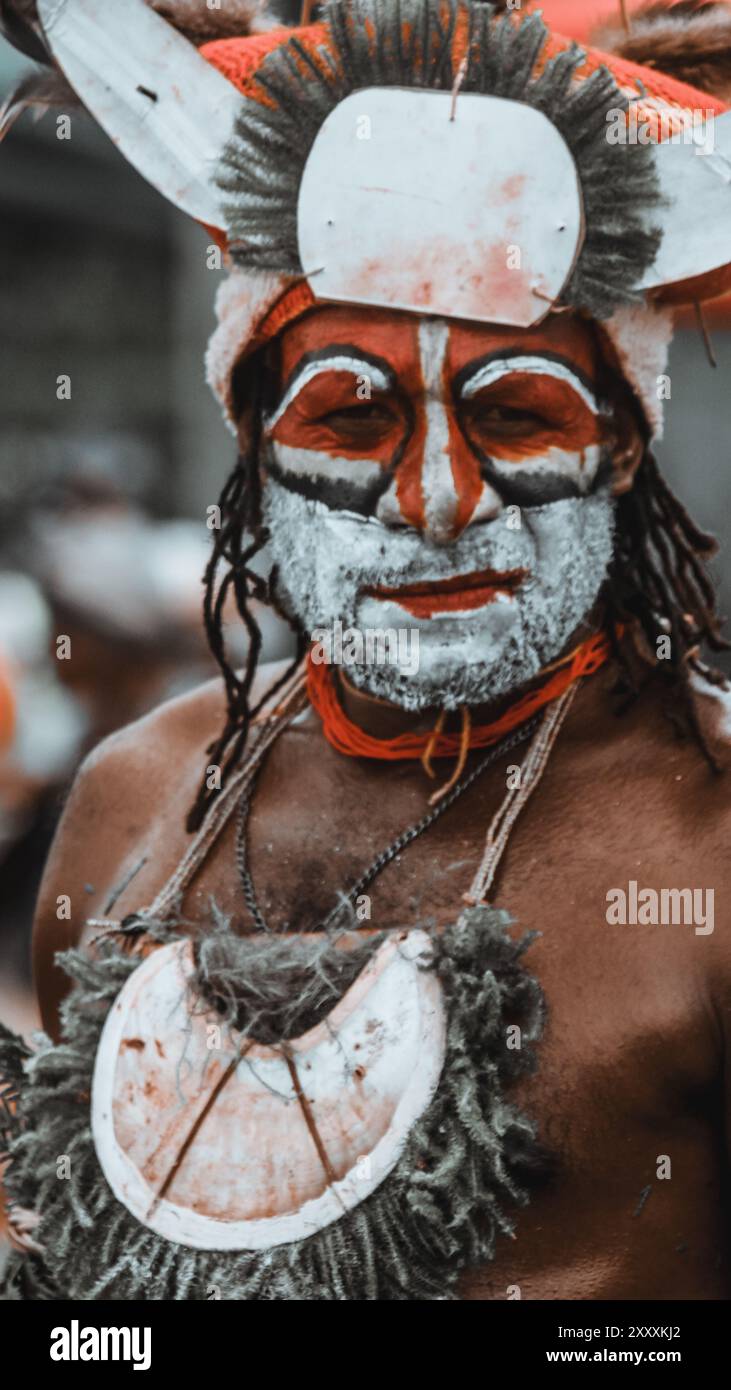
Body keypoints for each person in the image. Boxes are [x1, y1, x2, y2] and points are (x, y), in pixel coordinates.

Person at [2, 0, 731, 1301]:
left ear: (622, 445)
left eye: (515, 413)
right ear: (255, 441)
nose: (437, 495)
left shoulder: (712, 842)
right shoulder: (132, 802)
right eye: (351, 417)